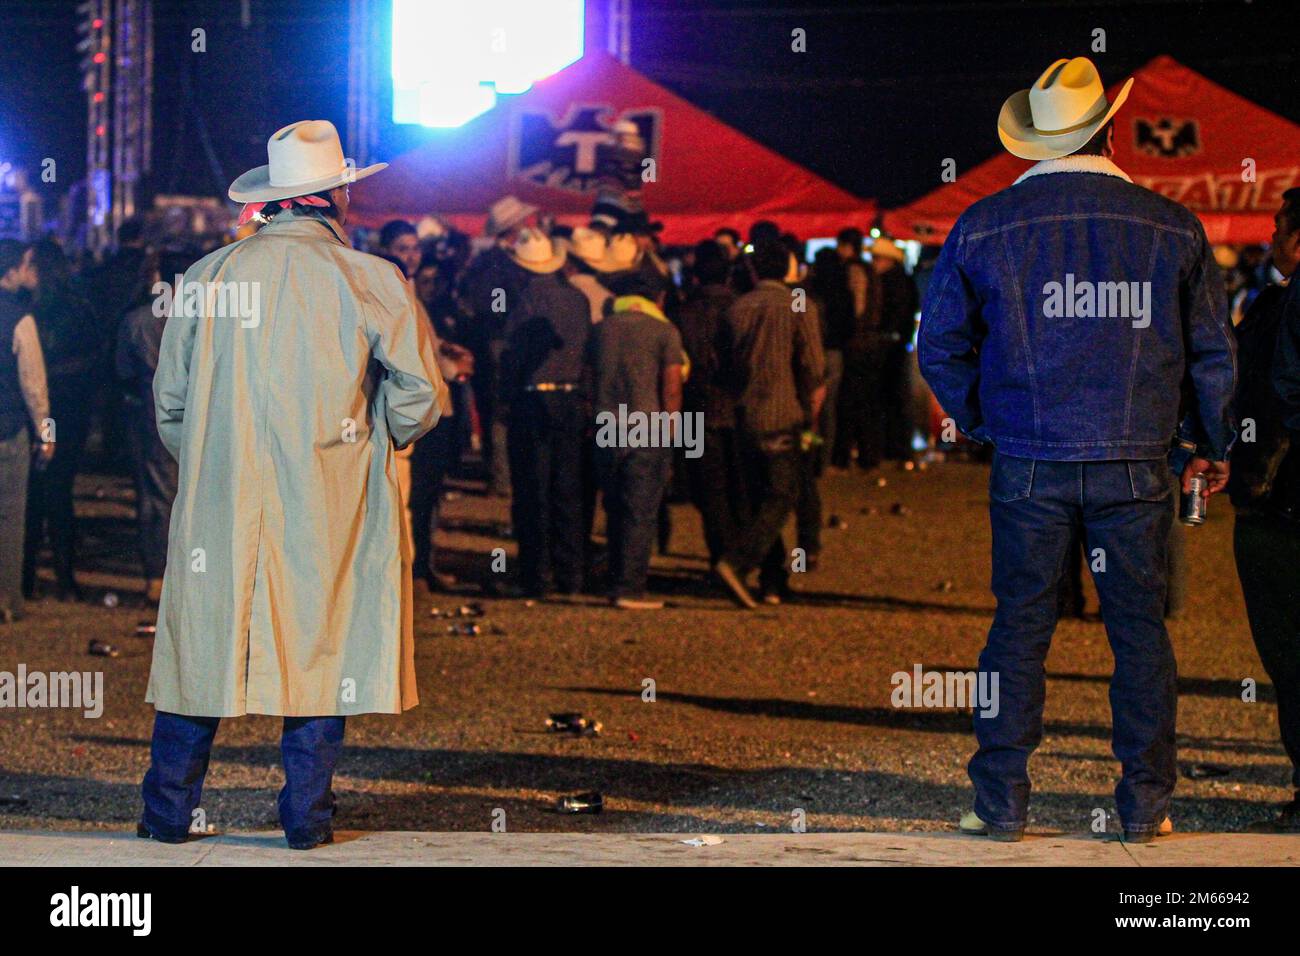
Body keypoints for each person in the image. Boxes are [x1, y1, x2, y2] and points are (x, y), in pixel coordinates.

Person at [919, 57, 1236, 843]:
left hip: (1029, 457)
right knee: (1139, 634)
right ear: (1107, 126)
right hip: (1137, 460)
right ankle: (1145, 806)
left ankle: (1000, 803)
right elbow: (1211, 354)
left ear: (1036, 140)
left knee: (1018, 627)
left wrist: (988, 421)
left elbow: (941, 349)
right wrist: (1209, 440)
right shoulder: (1171, 225)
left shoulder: (985, 224)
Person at [139, 120, 442, 850]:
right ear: (335, 193)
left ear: (277, 196)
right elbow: (420, 392)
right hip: (326, 493)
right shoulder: (369, 278)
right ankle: (306, 819)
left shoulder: (210, 276)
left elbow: (170, 403)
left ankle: (166, 815)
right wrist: (375, 441)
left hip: (222, 495)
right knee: (320, 648)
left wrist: (212, 458)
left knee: (199, 650)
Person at [714, 238, 826, 608]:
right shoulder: (798, 305)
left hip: (746, 414)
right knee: (783, 495)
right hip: (786, 413)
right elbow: (814, 366)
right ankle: (738, 562)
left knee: (761, 498)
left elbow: (725, 366)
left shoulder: (737, 309)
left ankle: (772, 580)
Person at [1236, 187, 1300, 831]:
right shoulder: (1277, 302)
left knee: (1290, 652)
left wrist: (1253, 482)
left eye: (1280, 228)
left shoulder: (1288, 305)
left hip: (1285, 505)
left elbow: (1282, 399)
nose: (1271, 238)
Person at [500, 229, 591, 598]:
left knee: (532, 491)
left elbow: (510, 355)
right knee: (568, 490)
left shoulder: (522, 301)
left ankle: (537, 575)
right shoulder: (579, 299)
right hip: (570, 399)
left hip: (531, 400)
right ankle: (572, 574)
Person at [588, 272, 685, 609]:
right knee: (640, 512)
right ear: (654, 300)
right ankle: (629, 588)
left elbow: (588, 377)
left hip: (606, 425)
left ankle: (613, 578)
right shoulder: (664, 332)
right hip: (647, 427)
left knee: (614, 507)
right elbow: (672, 387)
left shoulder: (601, 330)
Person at [22, 239, 100, 602]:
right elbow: (94, 358)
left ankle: (25, 576)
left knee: (34, 493)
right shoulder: (79, 307)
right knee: (60, 491)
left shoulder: (28, 310)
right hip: (69, 409)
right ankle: (65, 577)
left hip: (40, 409)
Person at [115, 251, 188, 606]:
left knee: (157, 495)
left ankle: (157, 577)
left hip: (154, 414)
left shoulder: (137, 321)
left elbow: (123, 373)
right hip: (205, 415)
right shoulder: (213, 319)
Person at [458, 196, 536, 497]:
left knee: (498, 410)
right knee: (500, 411)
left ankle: (501, 476)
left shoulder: (489, 260)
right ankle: (502, 479)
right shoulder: (499, 262)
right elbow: (491, 303)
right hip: (499, 342)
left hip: (495, 340)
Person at [679, 239, 743, 565]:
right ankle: (739, 558)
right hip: (735, 408)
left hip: (695, 410)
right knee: (739, 487)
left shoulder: (683, 312)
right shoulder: (740, 308)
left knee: (709, 490)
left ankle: (720, 554)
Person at [0, 241, 53, 623]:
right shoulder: (20, 318)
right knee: (9, 518)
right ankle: (7, 599)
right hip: (8, 430)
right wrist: (45, 433)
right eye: (25, 265)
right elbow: (33, 384)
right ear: (13, 270)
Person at [832, 226, 883, 470]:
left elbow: (858, 305)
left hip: (858, 343)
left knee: (852, 400)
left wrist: (850, 328)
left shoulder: (853, 269)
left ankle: (850, 455)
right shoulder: (870, 269)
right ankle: (868, 455)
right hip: (870, 342)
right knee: (867, 400)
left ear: (847, 246)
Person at [869, 236, 920, 461]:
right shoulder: (904, 280)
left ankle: (896, 447)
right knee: (897, 397)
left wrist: (887, 334)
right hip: (899, 343)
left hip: (892, 346)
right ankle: (898, 447)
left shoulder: (891, 282)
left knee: (893, 396)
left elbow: (896, 314)